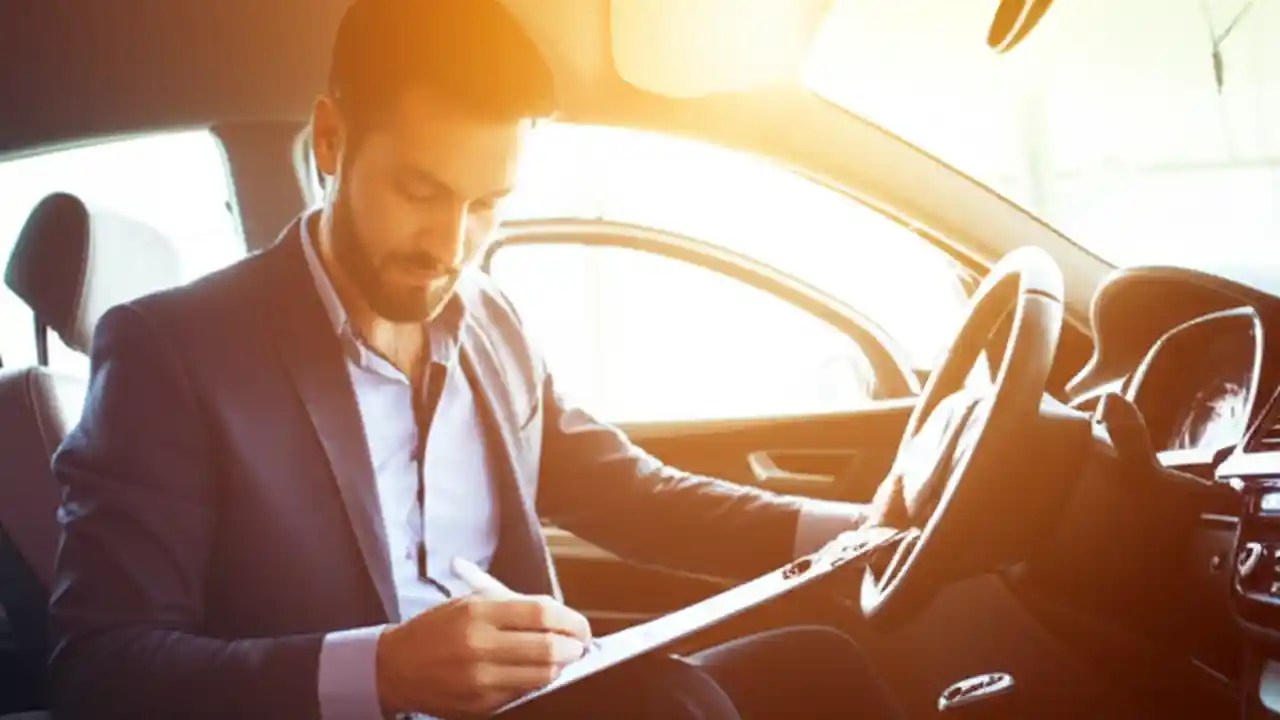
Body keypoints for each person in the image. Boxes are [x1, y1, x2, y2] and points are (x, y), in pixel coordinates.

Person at [48, 1, 905, 718]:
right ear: (331, 140)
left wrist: (855, 531)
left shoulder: (489, 319)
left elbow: (627, 492)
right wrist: (379, 670)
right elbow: (100, 669)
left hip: (534, 703)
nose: (450, 246)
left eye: (487, 203)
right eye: (419, 193)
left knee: (817, 670)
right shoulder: (173, 354)